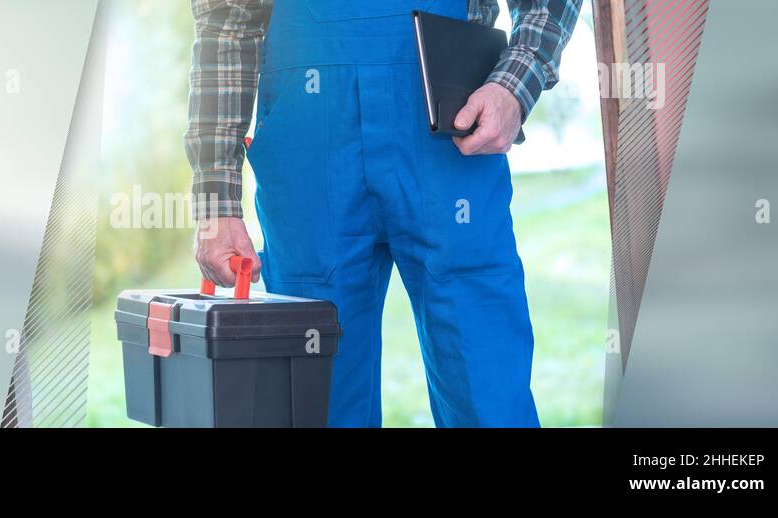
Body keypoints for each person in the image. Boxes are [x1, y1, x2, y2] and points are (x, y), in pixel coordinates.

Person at [185, 0, 581, 427]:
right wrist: (215, 200)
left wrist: (514, 83)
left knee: (489, 396)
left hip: (452, 131)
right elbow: (227, 22)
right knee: (317, 403)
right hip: (309, 153)